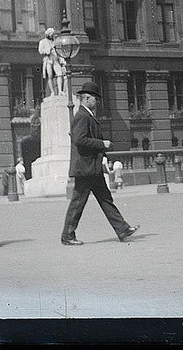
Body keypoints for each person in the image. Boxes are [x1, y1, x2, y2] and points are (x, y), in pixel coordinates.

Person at [61, 82, 140, 245]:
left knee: (105, 199)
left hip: (91, 167)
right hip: (85, 168)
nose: (97, 101)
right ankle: (67, 236)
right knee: (78, 202)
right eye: (95, 98)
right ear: (87, 98)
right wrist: (101, 144)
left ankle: (123, 229)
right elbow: (79, 139)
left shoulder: (86, 115)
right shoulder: (82, 116)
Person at [38, 27, 65, 96]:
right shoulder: (42, 42)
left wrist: (61, 60)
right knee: (49, 76)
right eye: (51, 34)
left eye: (53, 34)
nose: (52, 35)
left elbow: (59, 51)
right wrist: (49, 49)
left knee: (60, 74)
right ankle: (52, 92)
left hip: (56, 60)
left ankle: (60, 91)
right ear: (48, 34)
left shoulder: (55, 42)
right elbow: (40, 51)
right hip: (48, 60)